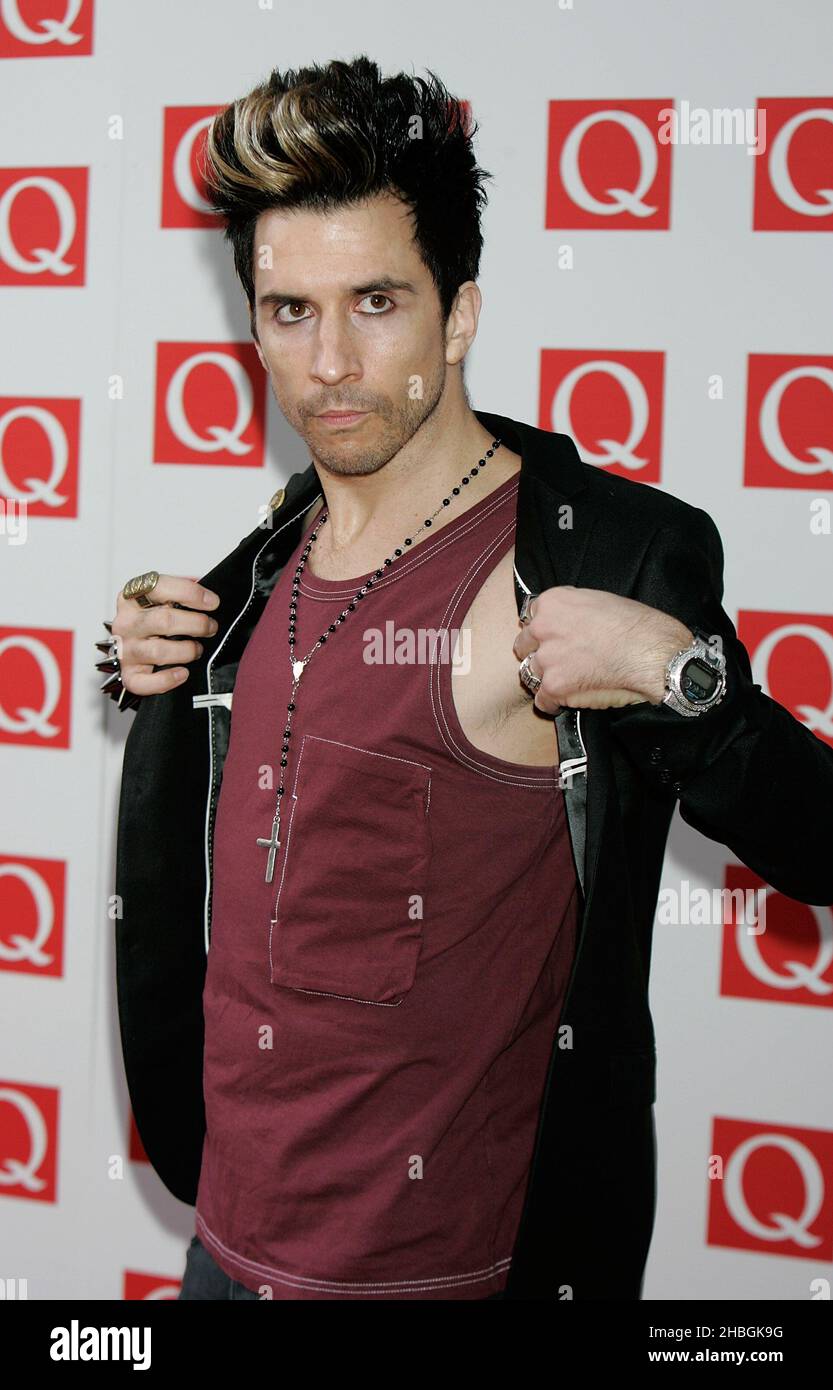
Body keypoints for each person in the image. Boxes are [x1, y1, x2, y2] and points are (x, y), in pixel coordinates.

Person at [100, 57, 833, 1301]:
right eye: (288, 311)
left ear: (460, 313)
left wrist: (682, 678)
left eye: (376, 301)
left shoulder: (594, 556)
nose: (329, 361)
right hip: (222, 1256)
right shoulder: (262, 562)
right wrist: (135, 658)